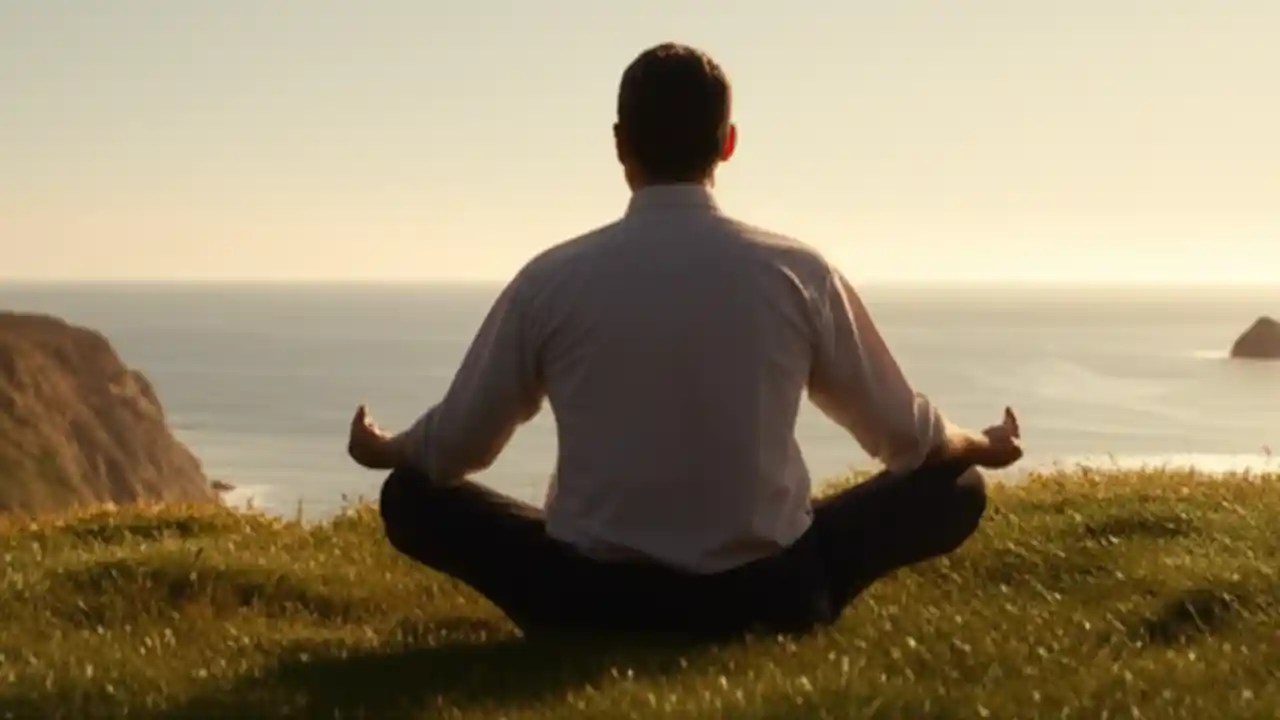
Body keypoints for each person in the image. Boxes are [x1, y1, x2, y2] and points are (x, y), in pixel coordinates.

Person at [347, 42, 1023, 638]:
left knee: (410, 498)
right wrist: (981, 445)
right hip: (770, 593)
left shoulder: (551, 280)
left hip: (587, 598)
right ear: (728, 143)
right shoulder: (797, 272)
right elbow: (908, 437)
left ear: (619, 142)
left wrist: (388, 448)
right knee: (954, 486)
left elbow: (455, 447)